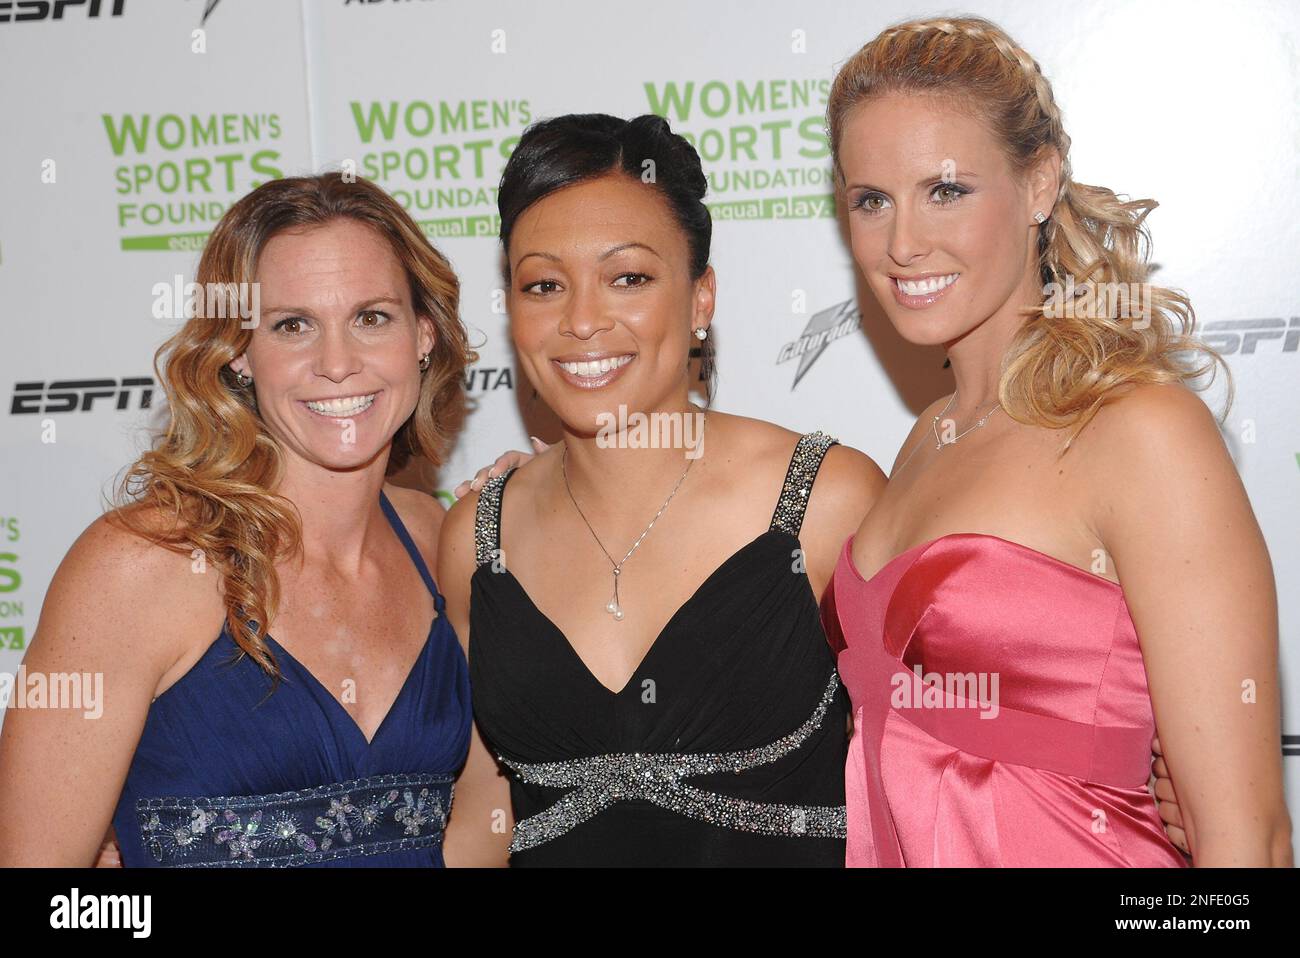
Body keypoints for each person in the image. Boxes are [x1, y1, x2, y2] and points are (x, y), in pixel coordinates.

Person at [818, 15, 1291, 866]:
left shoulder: (1141, 434)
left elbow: (1246, 840)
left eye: (947, 190)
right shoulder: (927, 439)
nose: (902, 242)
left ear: (1039, 184)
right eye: (871, 200)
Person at [0, 172, 507, 867]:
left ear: (423, 334)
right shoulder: (142, 565)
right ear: (238, 351)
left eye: (372, 317)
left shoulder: (440, 540)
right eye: (292, 325)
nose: (337, 363)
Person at [438, 113, 887, 866]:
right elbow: (481, 816)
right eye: (544, 284)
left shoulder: (823, 501)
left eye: (629, 278)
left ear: (701, 298)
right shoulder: (478, 538)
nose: (582, 320)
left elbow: (920, 780)